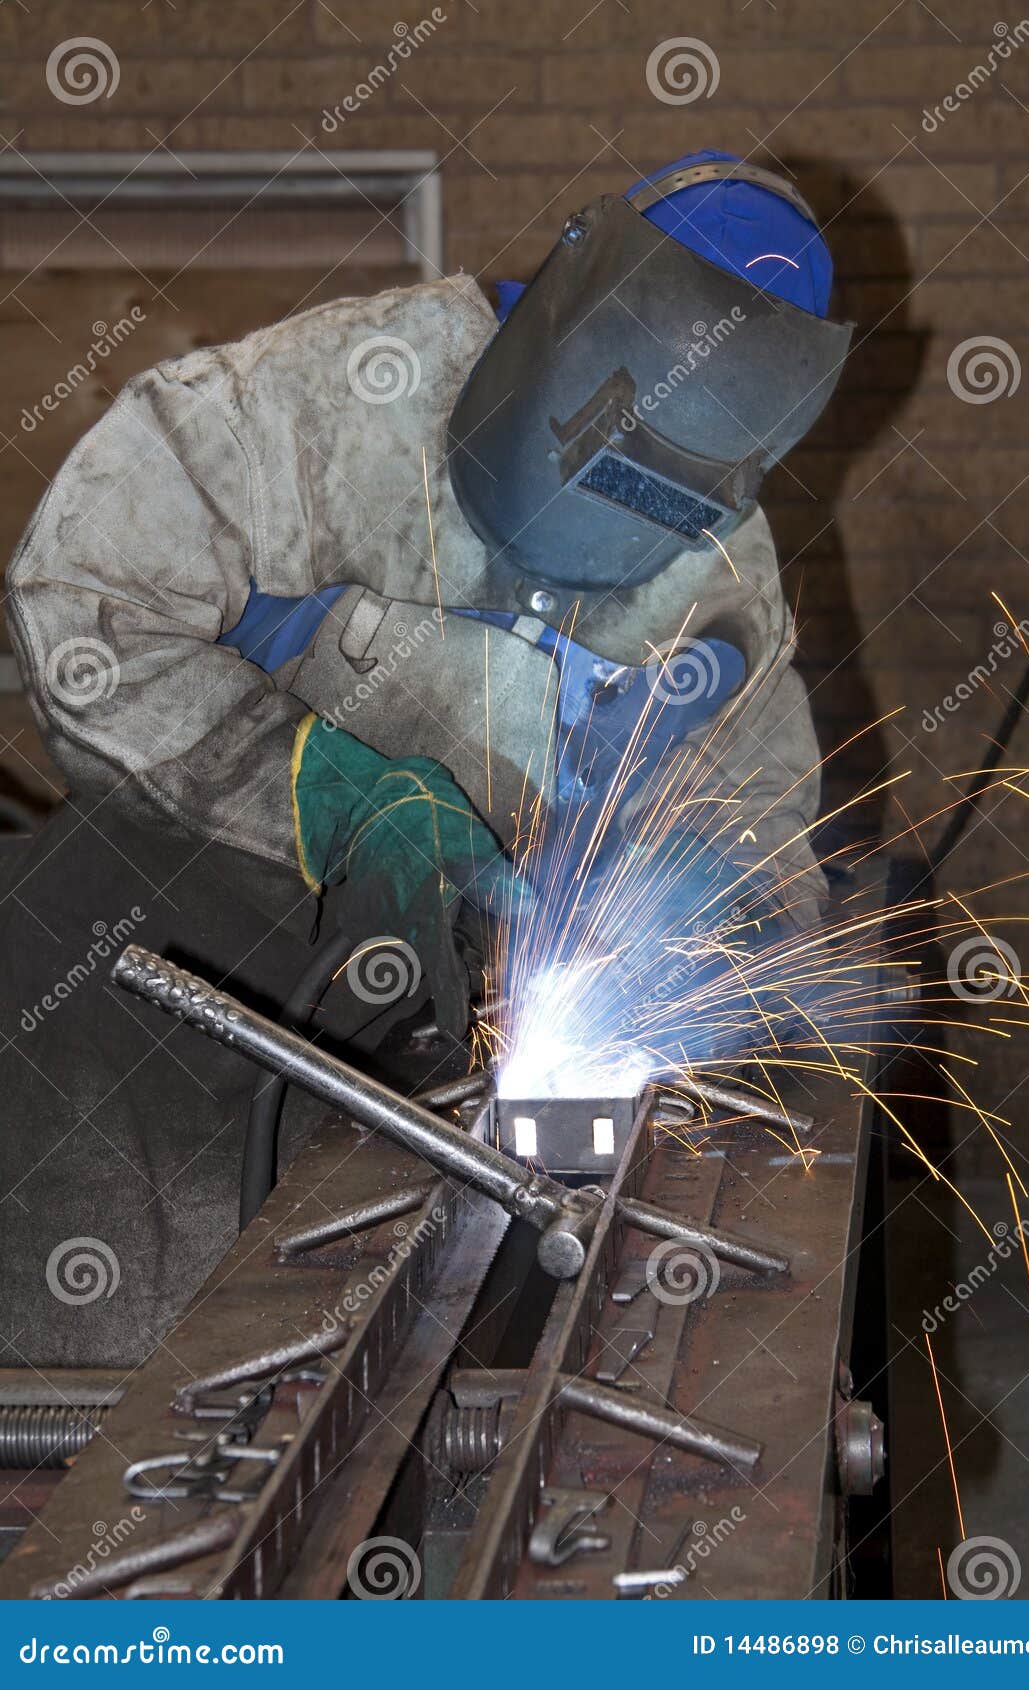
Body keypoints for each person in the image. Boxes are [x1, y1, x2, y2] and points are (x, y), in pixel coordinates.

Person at [0, 150, 850, 1365]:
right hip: (188, 995)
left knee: (440, 1366)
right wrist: (319, 788)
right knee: (145, 1370)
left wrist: (702, 897)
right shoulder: (305, 409)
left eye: (670, 493)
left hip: (462, 1061)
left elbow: (756, 817)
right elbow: (78, 599)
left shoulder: (721, 573)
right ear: (564, 289)